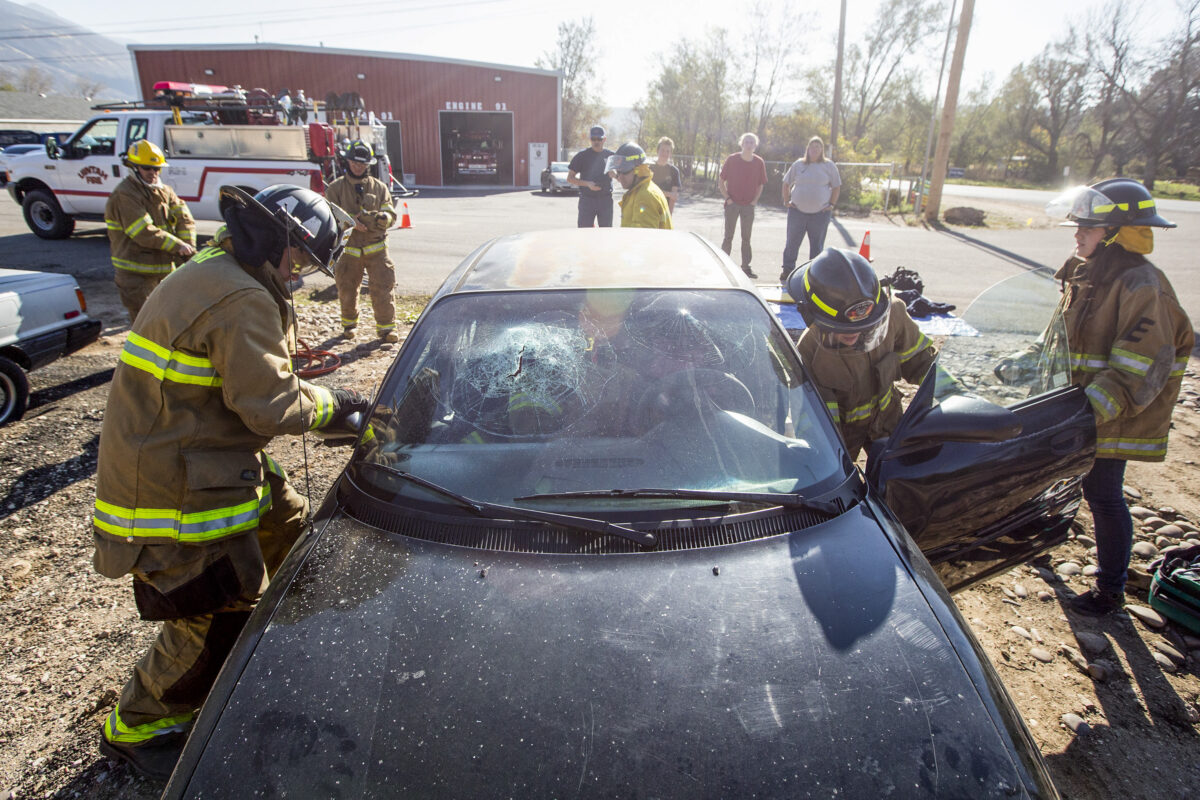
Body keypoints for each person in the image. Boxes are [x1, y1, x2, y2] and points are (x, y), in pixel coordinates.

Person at [92, 183, 370, 779]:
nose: (298, 276)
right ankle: (139, 727)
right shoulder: (240, 296)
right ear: (279, 241)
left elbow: (244, 379)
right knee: (214, 609)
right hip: (173, 492)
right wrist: (339, 404)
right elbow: (271, 406)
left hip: (209, 456)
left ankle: (277, 643)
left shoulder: (222, 269)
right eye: (301, 262)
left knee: (292, 528)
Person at [1027, 179, 1191, 616]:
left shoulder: (1142, 285)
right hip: (1077, 408)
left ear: (1117, 233)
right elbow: (1060, 335)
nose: (1078, 234)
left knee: (1102, 493)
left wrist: (1085, 415)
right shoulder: (1085, 272)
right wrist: (1025, 361)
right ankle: (1040, 541)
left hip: (1110, 416)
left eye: (1089, 227)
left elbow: (1138, 369)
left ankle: (1110, 589)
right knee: (1058, 475)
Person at [788, 248, 936, 459]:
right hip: (842, 439)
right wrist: (835, 462)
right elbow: (815, 423)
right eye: (841, 330)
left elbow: (924, 362)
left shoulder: (893, 315)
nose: (854, 335)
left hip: (888, 426)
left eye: (865, 327)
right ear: (813, 315)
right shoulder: (809, 350)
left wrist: (954, 394)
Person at [104, 140, 196, 323]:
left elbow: (185, 219)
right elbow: (143, 231)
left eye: (157, 168)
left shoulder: (165, 191)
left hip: (163, 272)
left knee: (167, 323)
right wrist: (178, 245)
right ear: (134, 167)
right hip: (136, 276)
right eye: (147, 168)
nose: (153, 173)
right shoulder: (125, 194)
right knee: (145, 325)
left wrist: (189, 248)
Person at [326, 140, 400, 342]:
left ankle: (386, 329)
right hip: (349, 250)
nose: (358, 167)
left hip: (377, 250)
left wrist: (383, 219)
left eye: (362, 164)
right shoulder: (335, 188)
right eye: (354, 163)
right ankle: (349, 325)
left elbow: (390, 213)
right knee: (347, 288)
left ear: (368, 164)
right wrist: (351, 221)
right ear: (347, 162)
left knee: (383, 287)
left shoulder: (379, 187)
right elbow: (328, 215)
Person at [780, 136, 841, 284]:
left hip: (820, 214)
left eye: (818, 147)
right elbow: (786, 183)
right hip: (797, 212)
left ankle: (814, 273)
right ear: (808, 149)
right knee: (792, 243)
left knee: (817, 245)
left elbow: (836, 186)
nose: (815, 149)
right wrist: (786, 201)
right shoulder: (799, 164)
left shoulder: (829, 166)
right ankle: (787, 270)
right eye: (812, 146)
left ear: (822, 150)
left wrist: (831, 204)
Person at [719, 132, 768, 279]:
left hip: (748, 206)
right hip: (732, 204)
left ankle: (746, 267)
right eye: (746, 142)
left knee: (746, 238)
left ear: (755, 145)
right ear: (741, 144)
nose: (749, 144)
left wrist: (754, 201)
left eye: (751, 142)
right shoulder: (732, 159)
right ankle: (723, 266)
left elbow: (761, 184)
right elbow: (721, 181)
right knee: (728, 236)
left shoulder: (759, 162)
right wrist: (728, 198)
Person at [606, 142, 672, 230]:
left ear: (638, 170)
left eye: (624, 171)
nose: (620, 177)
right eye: (618, 172)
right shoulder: (640, 190)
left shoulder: (645, 197)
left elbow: (642, 237)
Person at [567, 125, 615, 227]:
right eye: (593, 139)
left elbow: (623, 176)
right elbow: (570, 178)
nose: (596, 141)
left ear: (604, 139)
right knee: (584, 232)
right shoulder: (581, 156)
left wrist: (615, 175)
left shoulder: (611, 156)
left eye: (599, 139)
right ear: (590, 139)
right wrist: (587, 184)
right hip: (587, 200)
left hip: (605, 200)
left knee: (606, 232)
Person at [650, 136, 682, 214]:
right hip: (649, 211)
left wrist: (669, 217)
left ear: (670, 154)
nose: (665, 153)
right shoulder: (649, 168)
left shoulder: (674, 171)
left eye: (668, 151)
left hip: (664, 212)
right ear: (657, 151)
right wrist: (668, 194)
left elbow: (674, 197)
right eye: (662, 150)